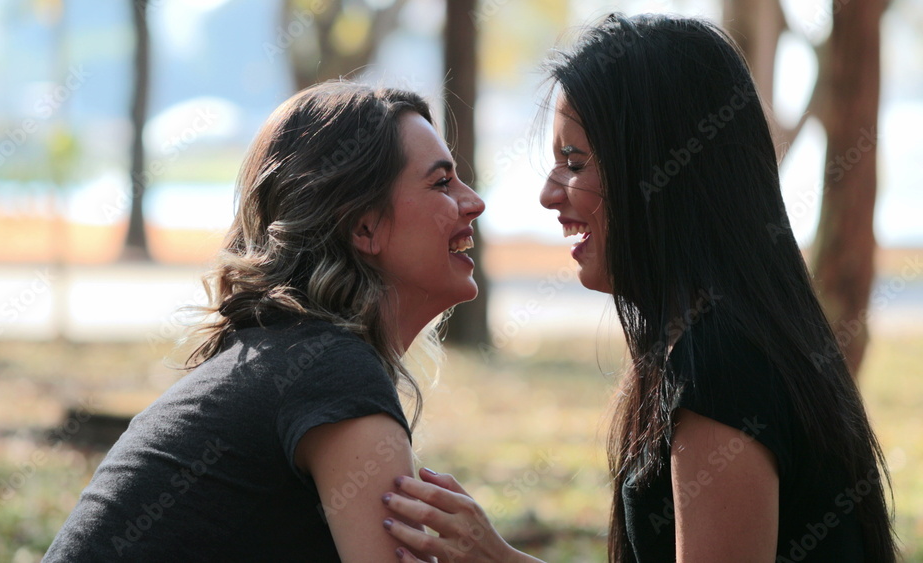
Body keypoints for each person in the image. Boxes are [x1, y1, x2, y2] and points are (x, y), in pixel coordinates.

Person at [380, 13, 897, 563]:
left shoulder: (722, 364)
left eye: (574, 163)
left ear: (660, 173)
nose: (549, 195)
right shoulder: (720, 339)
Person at [43, 80, 484, 561]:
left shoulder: (293, 357)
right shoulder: (333, 374)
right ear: (364, 225)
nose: (475, 202)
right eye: (441, 183)